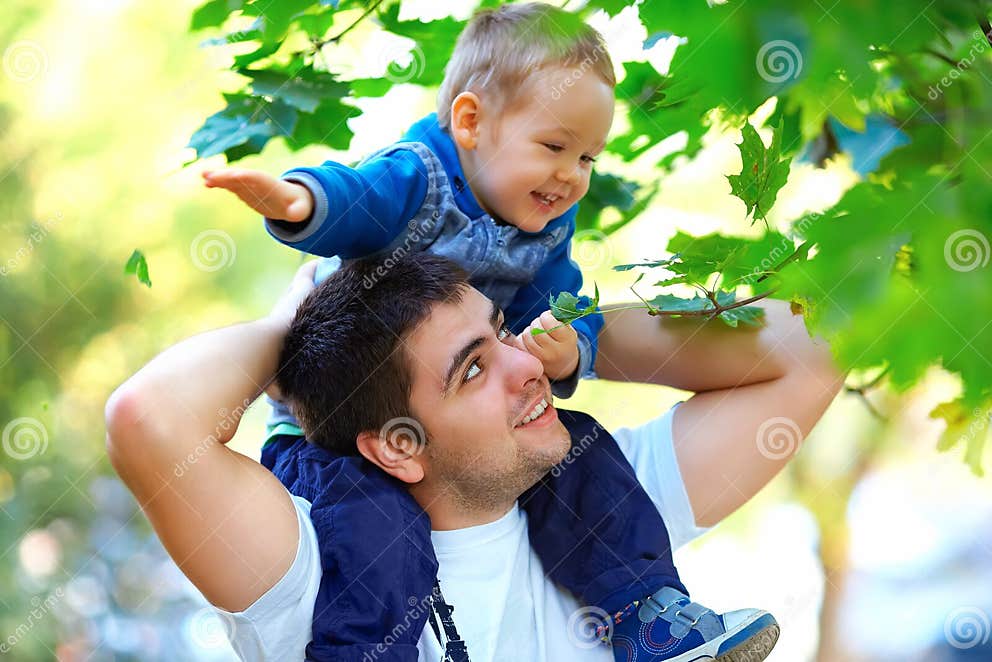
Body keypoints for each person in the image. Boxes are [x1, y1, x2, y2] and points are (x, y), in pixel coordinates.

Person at [198, 4, 782, 659]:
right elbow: (360, 200)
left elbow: (551, 306)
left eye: (588, 156)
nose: (571, 176)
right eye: (554, 147)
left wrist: (569, 344)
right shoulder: (420, 177)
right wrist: (300, 203)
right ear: (472, 122)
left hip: (441, 436)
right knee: (374, 536)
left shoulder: (544, 223)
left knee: (582, 454)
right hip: (329, 438)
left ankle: (644, 614)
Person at [105, 254, 844, 662]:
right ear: (398, 447)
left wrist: (581, 342)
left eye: (503, 335)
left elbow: (815, 350)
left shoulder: (598, 509)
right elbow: (150, 419)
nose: (527, 369)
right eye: (472, 370)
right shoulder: (315, 569)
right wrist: (286, 332)